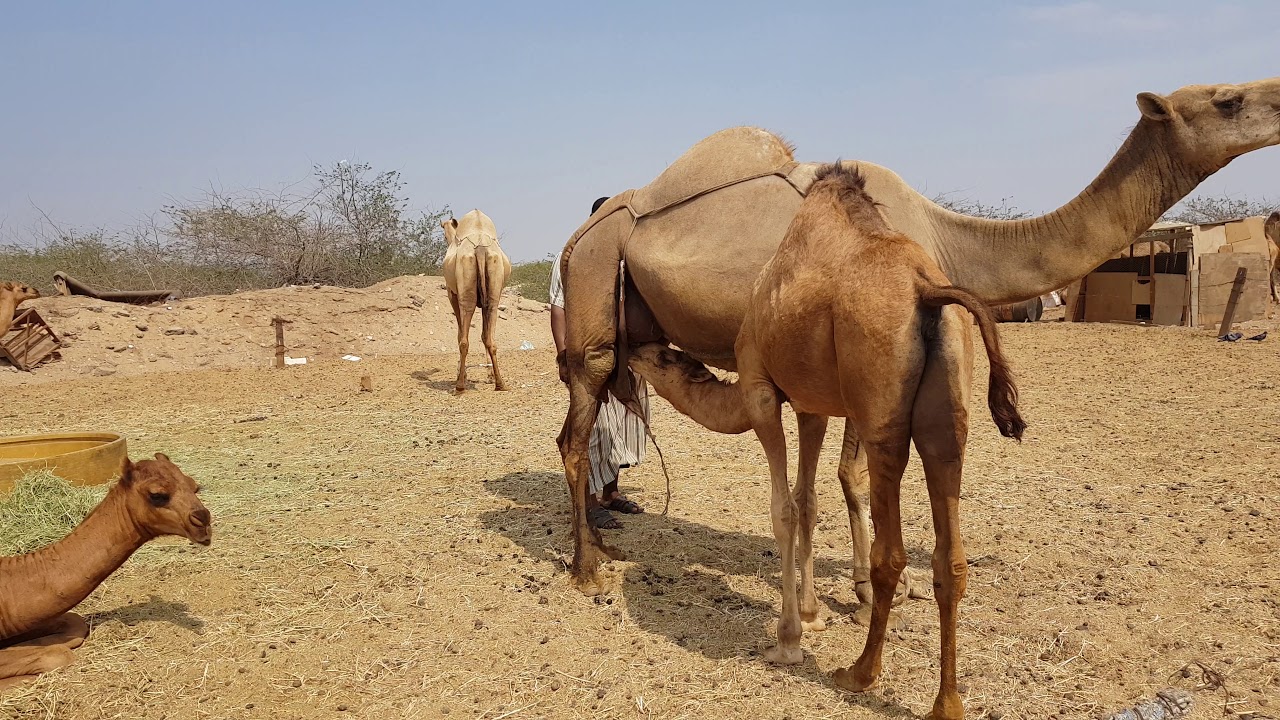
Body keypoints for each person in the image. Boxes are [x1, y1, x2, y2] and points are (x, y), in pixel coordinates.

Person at [548, 196, 651, 529]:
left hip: (625, 355)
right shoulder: (573, 256)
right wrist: (565, 356)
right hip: (591, 355)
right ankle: (588, 500)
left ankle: (610, 492)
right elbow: (559, 307)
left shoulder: (626, 258)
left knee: (625, 424)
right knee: (594, 428)